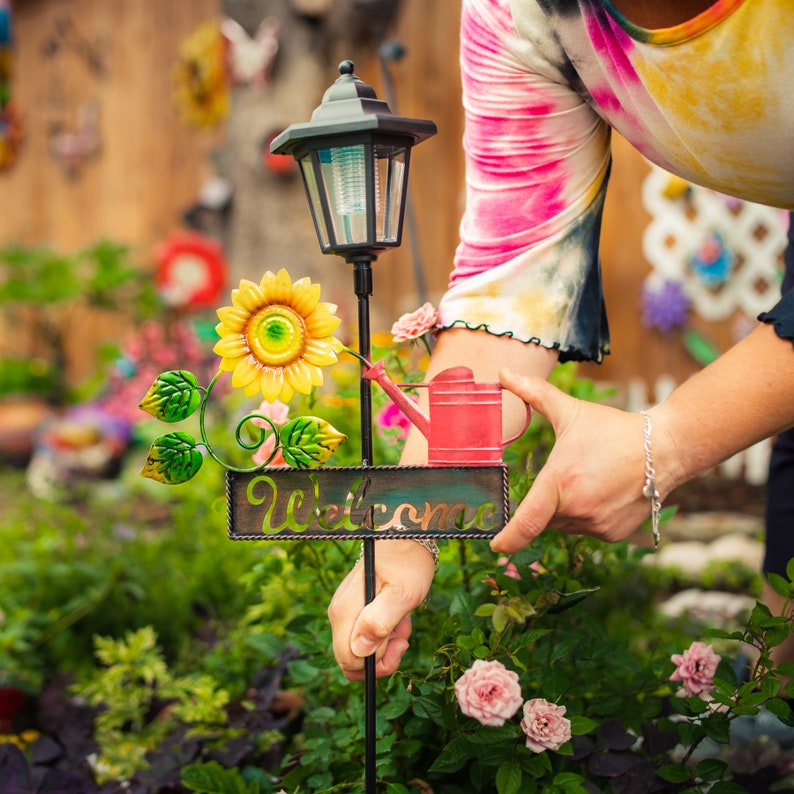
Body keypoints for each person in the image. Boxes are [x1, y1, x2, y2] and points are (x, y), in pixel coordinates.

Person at [328, 0, 794, 681]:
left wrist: (667, 440)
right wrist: (407, 526)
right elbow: (513, 285)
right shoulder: (519, 13)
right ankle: (776, 701)